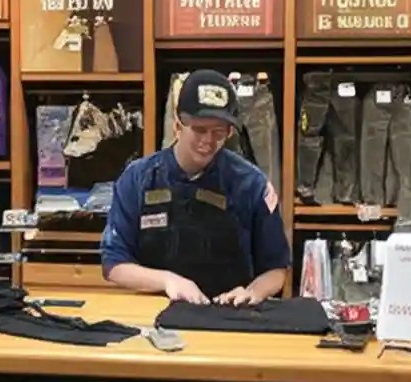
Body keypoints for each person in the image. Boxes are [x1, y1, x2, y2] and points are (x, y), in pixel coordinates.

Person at [101, 69, 291, 304]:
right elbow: (114, 264)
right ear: (178, 126)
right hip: (154, 315)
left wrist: (251, 293)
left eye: (219, 132)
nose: (208, 141)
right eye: (199, 129)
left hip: (228, 315)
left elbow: (276, 268)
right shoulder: (137, 179)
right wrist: (169, 281)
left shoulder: (251, 183)